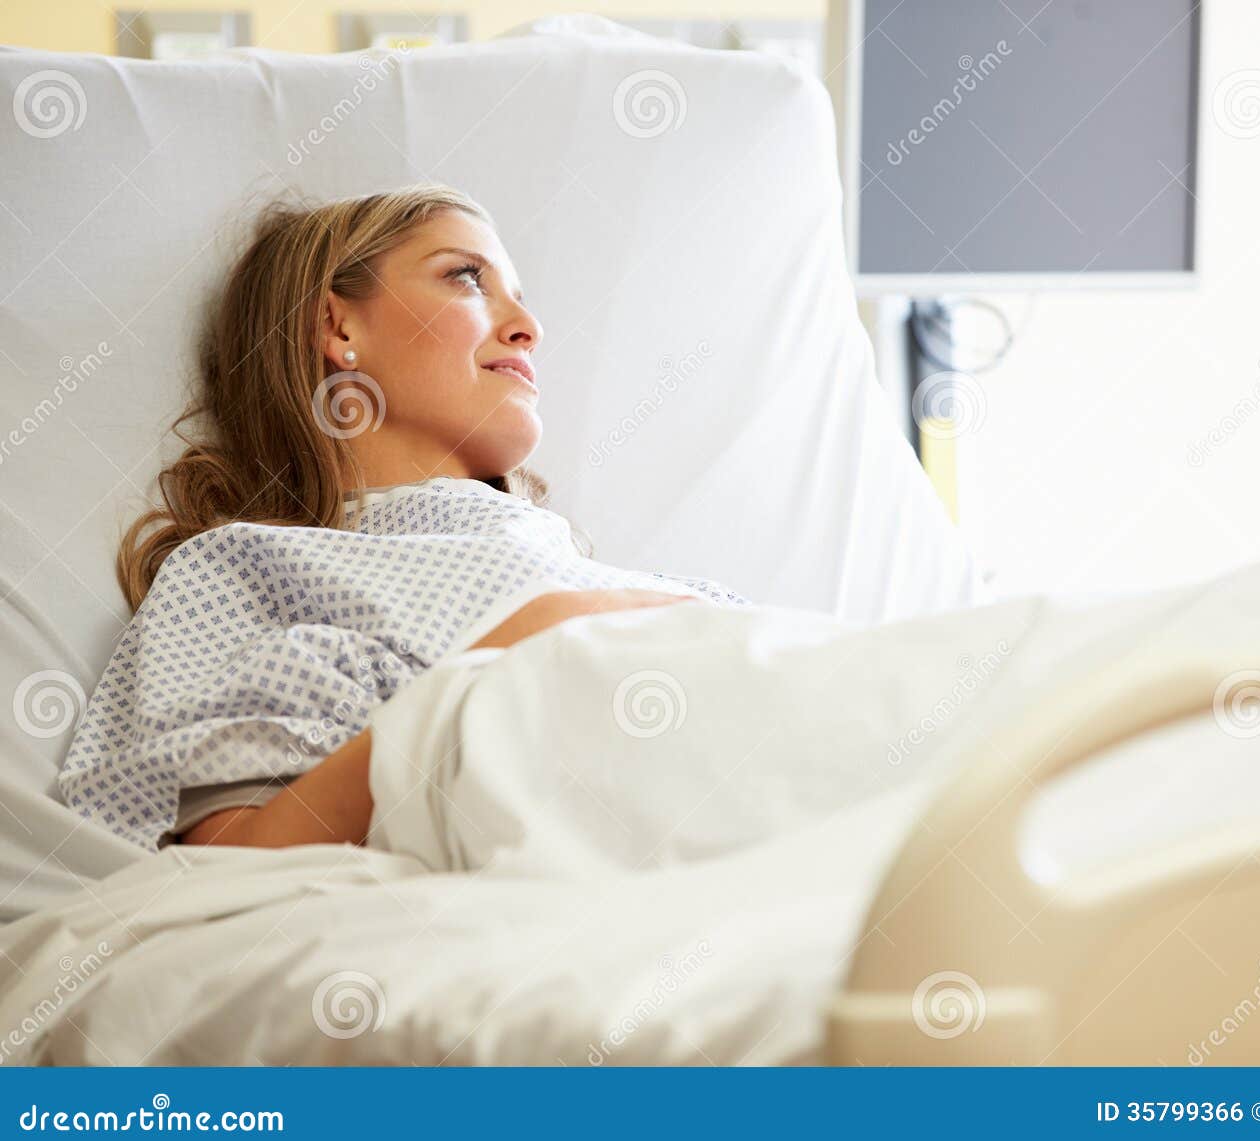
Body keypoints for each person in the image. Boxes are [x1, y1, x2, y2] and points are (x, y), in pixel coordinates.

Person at [58, 186, 745, 853]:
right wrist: (513, 650)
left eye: (520, 298)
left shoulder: (581, 568)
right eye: (467, 278)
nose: (528, 328)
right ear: (339, 326)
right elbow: (236, 864)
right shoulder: (247, 571)